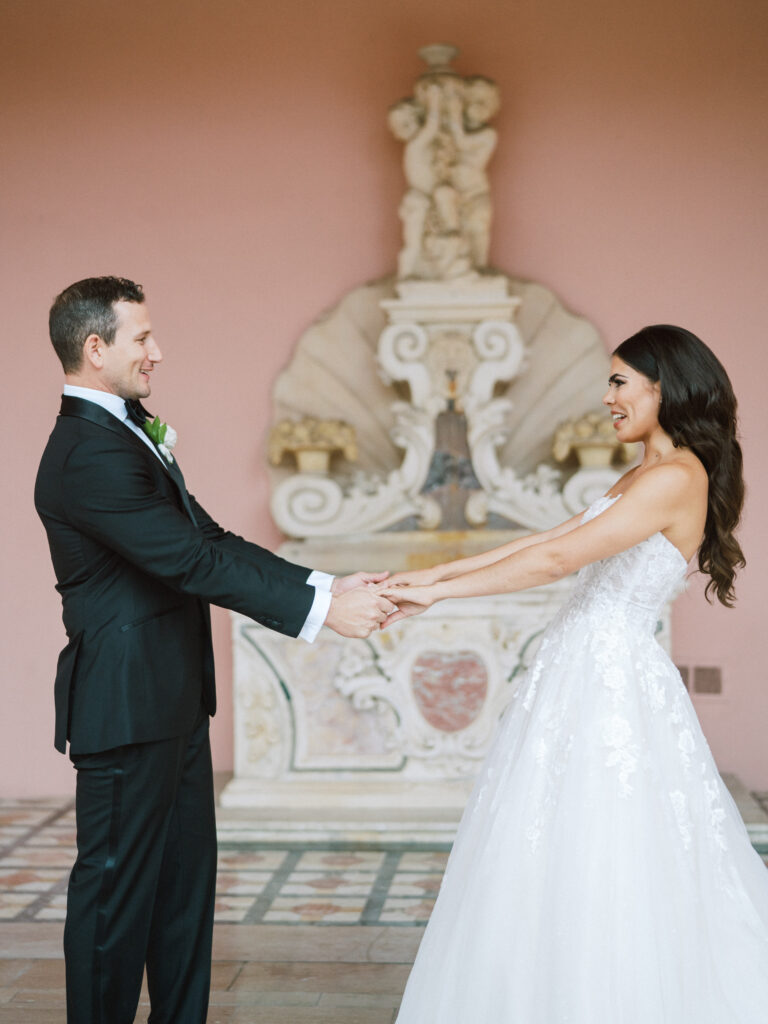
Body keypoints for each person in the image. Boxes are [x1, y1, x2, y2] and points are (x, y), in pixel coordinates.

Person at [34, 276, 396, 1024]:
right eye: (142, 338)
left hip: (171, 702)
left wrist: (324, 581)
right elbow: (189, 564)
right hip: (126, 709)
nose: (157, 352)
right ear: (94, 348)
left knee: (181, 899)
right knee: (112, 905)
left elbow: (209, 539)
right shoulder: (85, 454)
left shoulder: (128, 431)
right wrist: (322, 615)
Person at [381, 325, 768, 1022]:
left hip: (610, 679)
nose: (608, 396)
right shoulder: (642, 474)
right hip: (581, 667)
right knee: (549, 837)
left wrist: (437, 592)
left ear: (665, 387)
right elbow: (548, 540)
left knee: (605, 841)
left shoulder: (678, 476)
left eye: (621, 381)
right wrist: (429, 577)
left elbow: (555, 565)